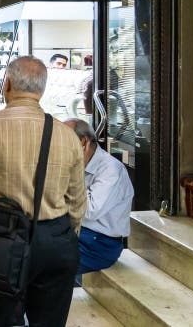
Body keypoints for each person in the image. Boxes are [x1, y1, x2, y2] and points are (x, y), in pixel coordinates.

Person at [0, 56, 86, 327]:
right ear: (42, 89)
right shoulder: (67, 135)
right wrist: (62, 234)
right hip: (55, 242)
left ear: (7, 84)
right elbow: (76, 202)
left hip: (0, 240)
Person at [65, 118, 134, 276]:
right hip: (78, 232)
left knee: (47, 261)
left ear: (84, 143)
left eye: (65, 141)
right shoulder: (77, 164)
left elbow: (89, 211)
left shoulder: (111, 170)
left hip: (100, 243)